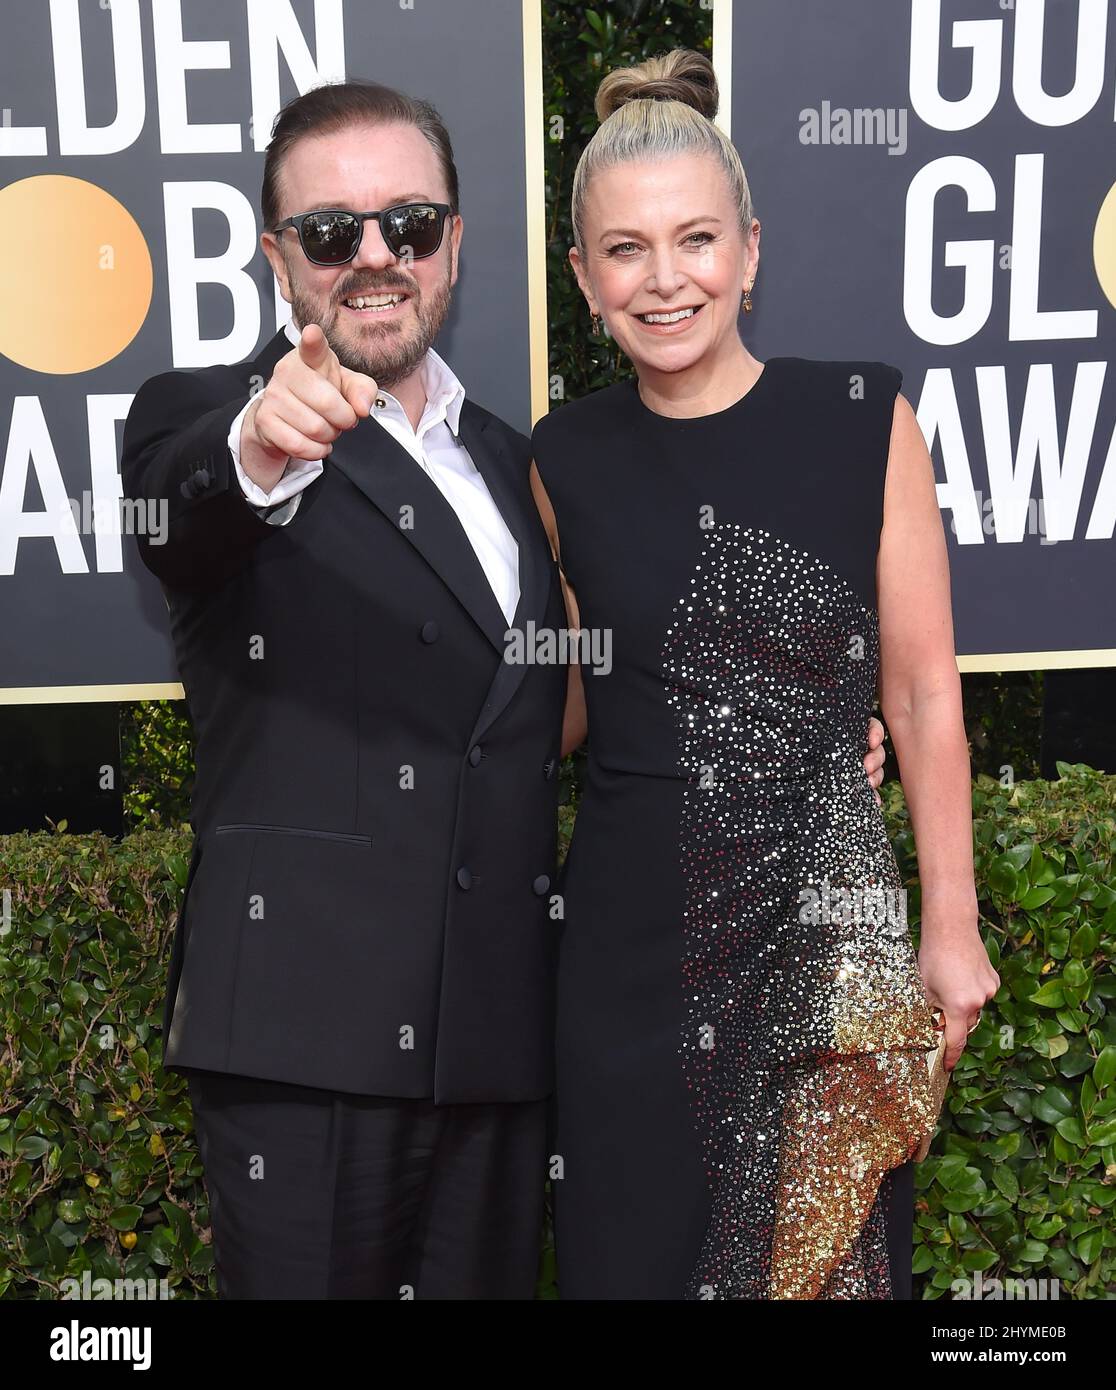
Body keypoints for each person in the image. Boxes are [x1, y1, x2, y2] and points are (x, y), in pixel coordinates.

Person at [122, 75, 889, 1301]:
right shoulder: (207, 417)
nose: (375, 257)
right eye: (331, 232)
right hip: (307, 1054)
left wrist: (774, 729)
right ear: (278, 258)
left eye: (410, 225)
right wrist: (263, 440)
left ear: (455, 246)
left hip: (501, 1050)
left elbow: (582, 692)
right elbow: (181, 515)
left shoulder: (523, 466)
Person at [529, 49, 1000, 1301]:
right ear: (584, 278)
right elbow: (568, 703)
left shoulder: (862, 418)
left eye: (696, 239)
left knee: (821, 1265)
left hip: (821, 935)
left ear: (750, 245)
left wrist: (948, 926)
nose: (665, 278)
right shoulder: (560, 456)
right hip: (626, 953)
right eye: (625, 250)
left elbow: (924, 695)